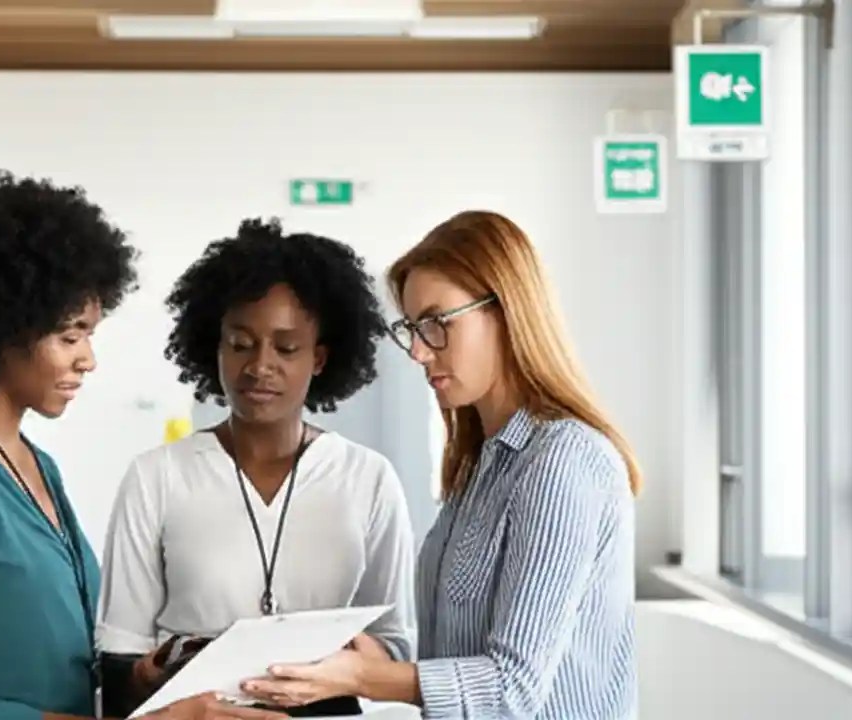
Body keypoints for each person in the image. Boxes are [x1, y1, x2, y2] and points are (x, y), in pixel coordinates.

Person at [0, 172, 283, 720]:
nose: (88, 359)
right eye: (70, 336)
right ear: (2, 330)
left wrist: (148, 671)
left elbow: (53, 651)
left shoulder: (35, 463)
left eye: (89, 335)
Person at [242, 210, 641, 719]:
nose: (417, 351)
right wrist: (376, 658)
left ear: (505, 309)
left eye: (435, 324)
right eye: (410, 328)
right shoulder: (479, 467)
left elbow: (510, 690)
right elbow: (458, 652)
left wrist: (367, 679)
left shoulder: (563, 460)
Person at [94, 218, 418, 717]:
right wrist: (154, 670)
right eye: (240, 344)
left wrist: (338, 658)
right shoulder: (157, 477)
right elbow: (120, 669)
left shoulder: (367, 479)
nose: (260, 366)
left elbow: (396, 649)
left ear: (319, 358)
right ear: (214, 346)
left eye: (286, 348)